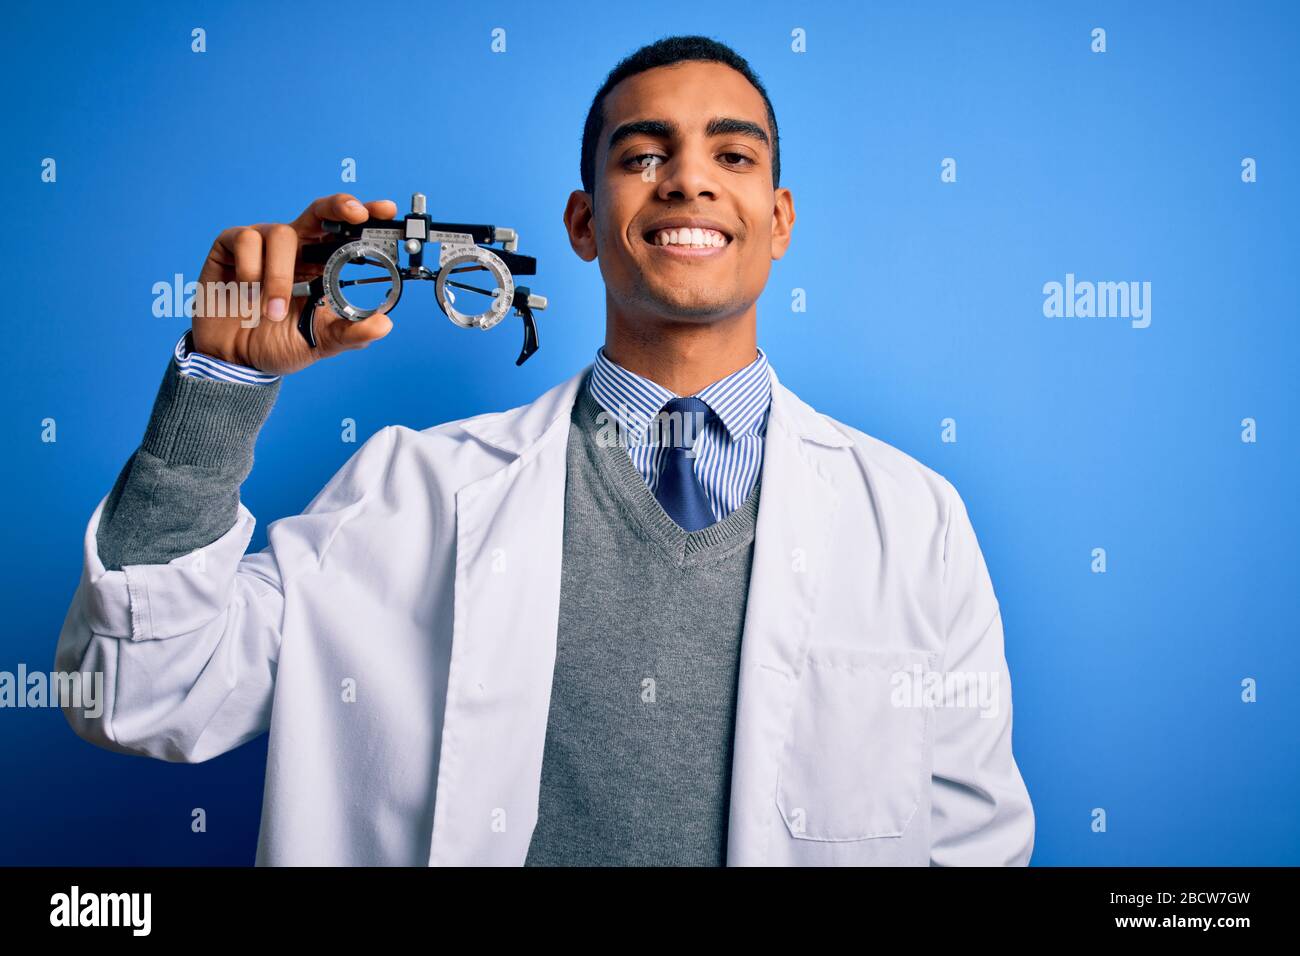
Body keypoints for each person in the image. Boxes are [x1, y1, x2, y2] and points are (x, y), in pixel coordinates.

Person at [55, 35, 1034, 866]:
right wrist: (218, 386)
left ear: (777, 222)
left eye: (733, 156)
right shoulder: (416, 492)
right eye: (642, 154)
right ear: (580, 222)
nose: (688, 177)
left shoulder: (911, 518)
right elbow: (142, 692)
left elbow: (972, 845)